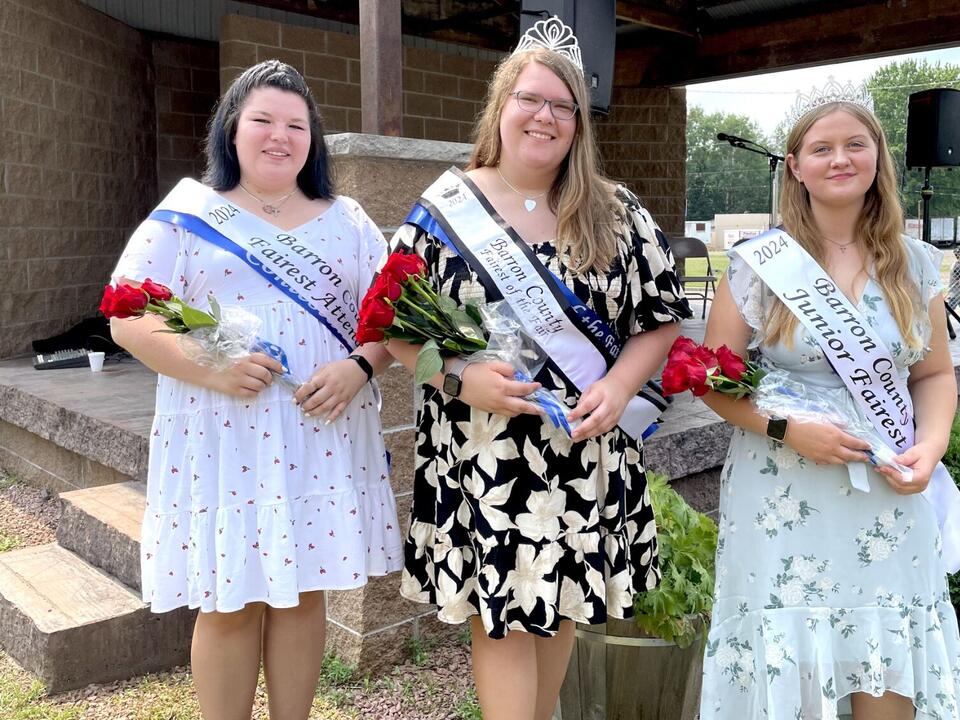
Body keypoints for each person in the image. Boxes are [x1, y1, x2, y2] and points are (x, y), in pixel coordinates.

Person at [381, 18, 691, 720]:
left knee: (559, 608)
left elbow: (661, 317)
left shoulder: (617, 213)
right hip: (484, 450)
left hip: (583, 447)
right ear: (501, 105)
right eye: (531, 98)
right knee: (502, 618)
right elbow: (392, 325)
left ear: (580, 123)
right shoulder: (443, 210)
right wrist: (457, 376)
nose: (544, 116)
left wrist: (616, 385)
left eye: (562, 105)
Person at [109, 60, 402, 720]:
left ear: (312, 139)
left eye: (296, 124)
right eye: (263, 120)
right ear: (231, 131)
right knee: (230, 598)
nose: (280, 135)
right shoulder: (187, 216)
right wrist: (209, 367)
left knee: (302, 594)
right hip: (222, 433)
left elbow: (393, 318)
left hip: (317, 431)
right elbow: (127, 317)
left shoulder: (347, 220)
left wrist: (360, 366)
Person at [699, 95, 960, 719]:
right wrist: (787, 428)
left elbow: (935, 373)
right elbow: (709, 378)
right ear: (794, 165)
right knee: (788, 670)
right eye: (821, 148)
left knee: (887, 671)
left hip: (888, 494)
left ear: (878, 158)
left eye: (855, 145)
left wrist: (931, 445)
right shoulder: (759, 265)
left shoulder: (916, 263)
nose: (839, 159)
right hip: (784, 497)